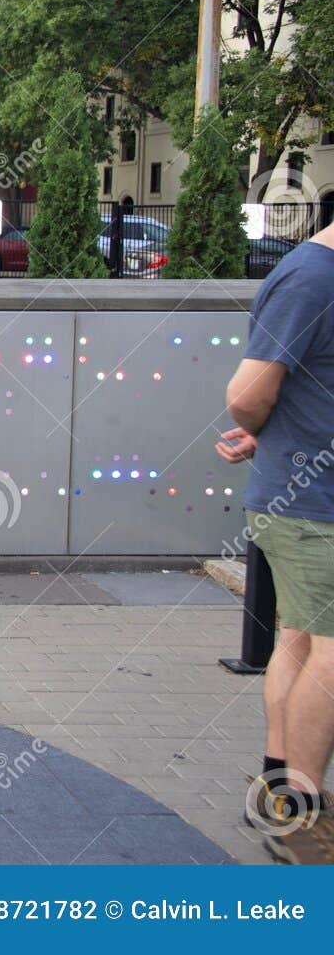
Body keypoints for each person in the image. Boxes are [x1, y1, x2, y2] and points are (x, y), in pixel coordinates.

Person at [217, 216, 334, 864]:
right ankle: (303, 817)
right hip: (313, 507)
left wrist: (276, 436)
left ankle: (281, 787)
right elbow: (246, 393)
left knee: (298, 639)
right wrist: (268, 431)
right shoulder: (311, 280)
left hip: (308, 492)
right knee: (330, 652)